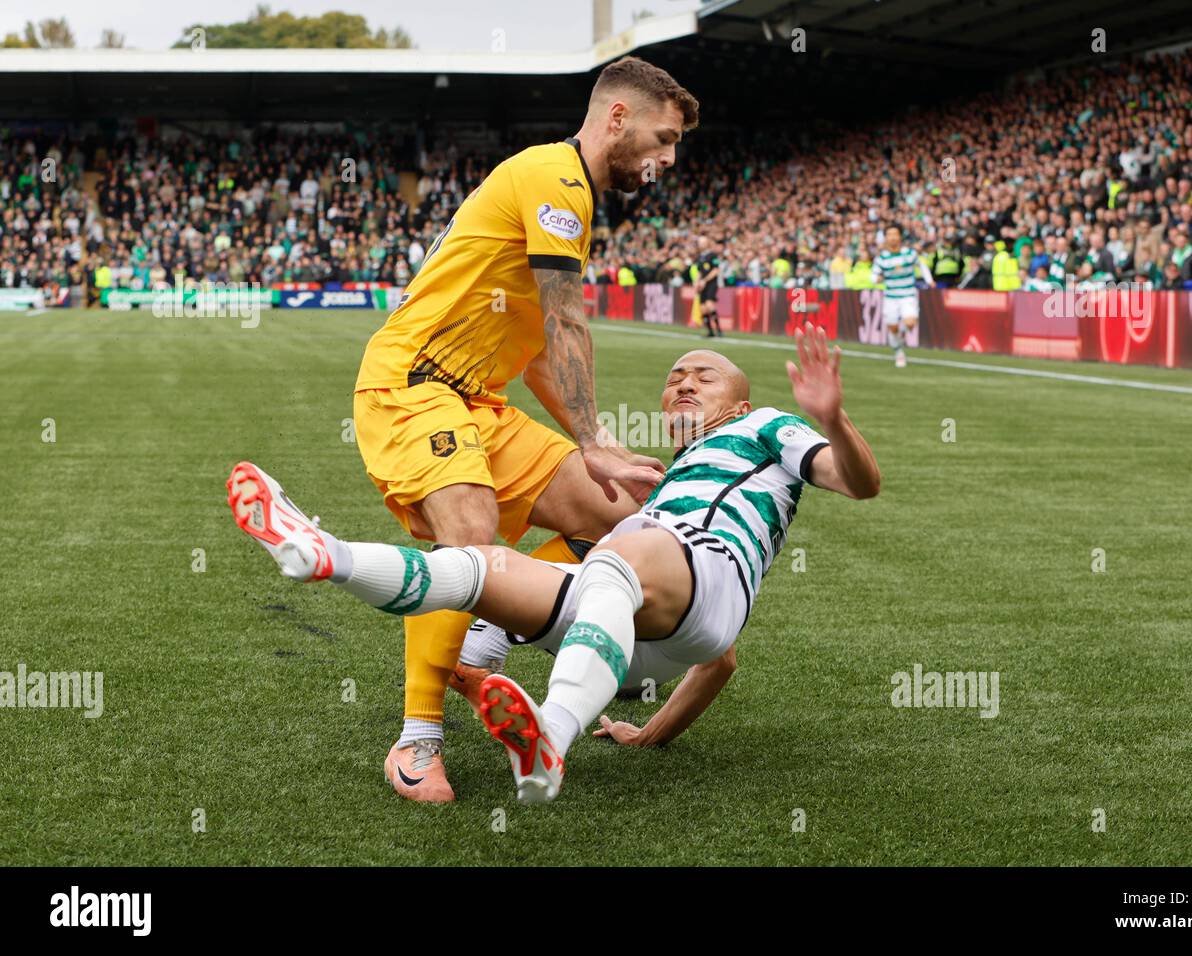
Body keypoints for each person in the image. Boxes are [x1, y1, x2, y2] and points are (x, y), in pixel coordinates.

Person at [227, 325, 881, 803]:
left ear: (736, 403)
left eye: (702, 377)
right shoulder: (677, 475)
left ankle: (551, 734)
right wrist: (650, 735)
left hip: (698, 575)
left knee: (628, 535)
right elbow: (720, 660)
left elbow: (858, 484)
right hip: (647, 634)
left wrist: (832, 419)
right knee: (477, 569)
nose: (683, 382)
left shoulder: (764, 424)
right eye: (675, 376)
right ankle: (322, 554)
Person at [329, 56, 696, 803]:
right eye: (663, 138)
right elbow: (566, 319)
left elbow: (534, 361)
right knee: (468, 537)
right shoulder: (555, 179)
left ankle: (482, 648)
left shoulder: (574, 202)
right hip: (414, 384)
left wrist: (600, 454)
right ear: (617, 118)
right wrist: (592, 439)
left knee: (625, 520)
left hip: (480, 403)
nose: (668, 159)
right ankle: (416, 739)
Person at [872, 224, 933, 368]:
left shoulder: (909, 254)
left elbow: (922, 266)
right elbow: (873, 276)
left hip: (908, 295)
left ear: (900, 237)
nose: (892, 237)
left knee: (911, 323)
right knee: (892, 327)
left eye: (895, 234)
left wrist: (929, 280)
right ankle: (899, 351)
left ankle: (899, 338)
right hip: (891, 297)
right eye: (889, 235)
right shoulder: (882, 258)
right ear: (886, 238)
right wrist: (877, 279)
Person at [695, 238, 722, 337]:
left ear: (707, 243)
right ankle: (710, 331)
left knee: (710, 305)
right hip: (702, 285)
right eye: (700, 243)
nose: (700, 244)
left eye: (702, 242)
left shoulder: (712, 255)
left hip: (711, 284)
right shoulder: (700, 257)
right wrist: (697, 283)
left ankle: (719, 330)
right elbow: (699, 272)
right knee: (703, 308)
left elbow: (716, 270)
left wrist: (704, 281)